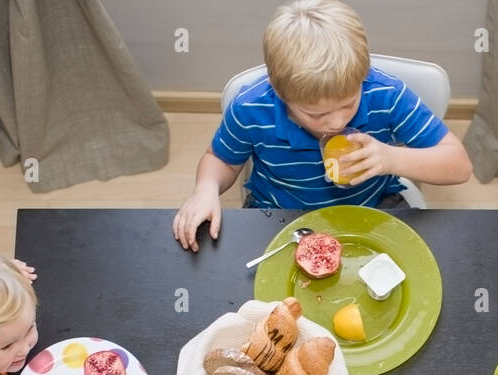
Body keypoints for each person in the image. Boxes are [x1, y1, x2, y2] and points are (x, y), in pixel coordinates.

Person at [172, 0, 472, 251]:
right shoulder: (251, 107)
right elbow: (220, 158)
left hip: (373, 207)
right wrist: (206, 188)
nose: (337, 122)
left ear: (362, 77)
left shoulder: (385, 95)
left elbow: (458, 166)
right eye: (316, 115)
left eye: (348, 105)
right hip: (279, 214)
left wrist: (391, 158)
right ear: (280, 94)